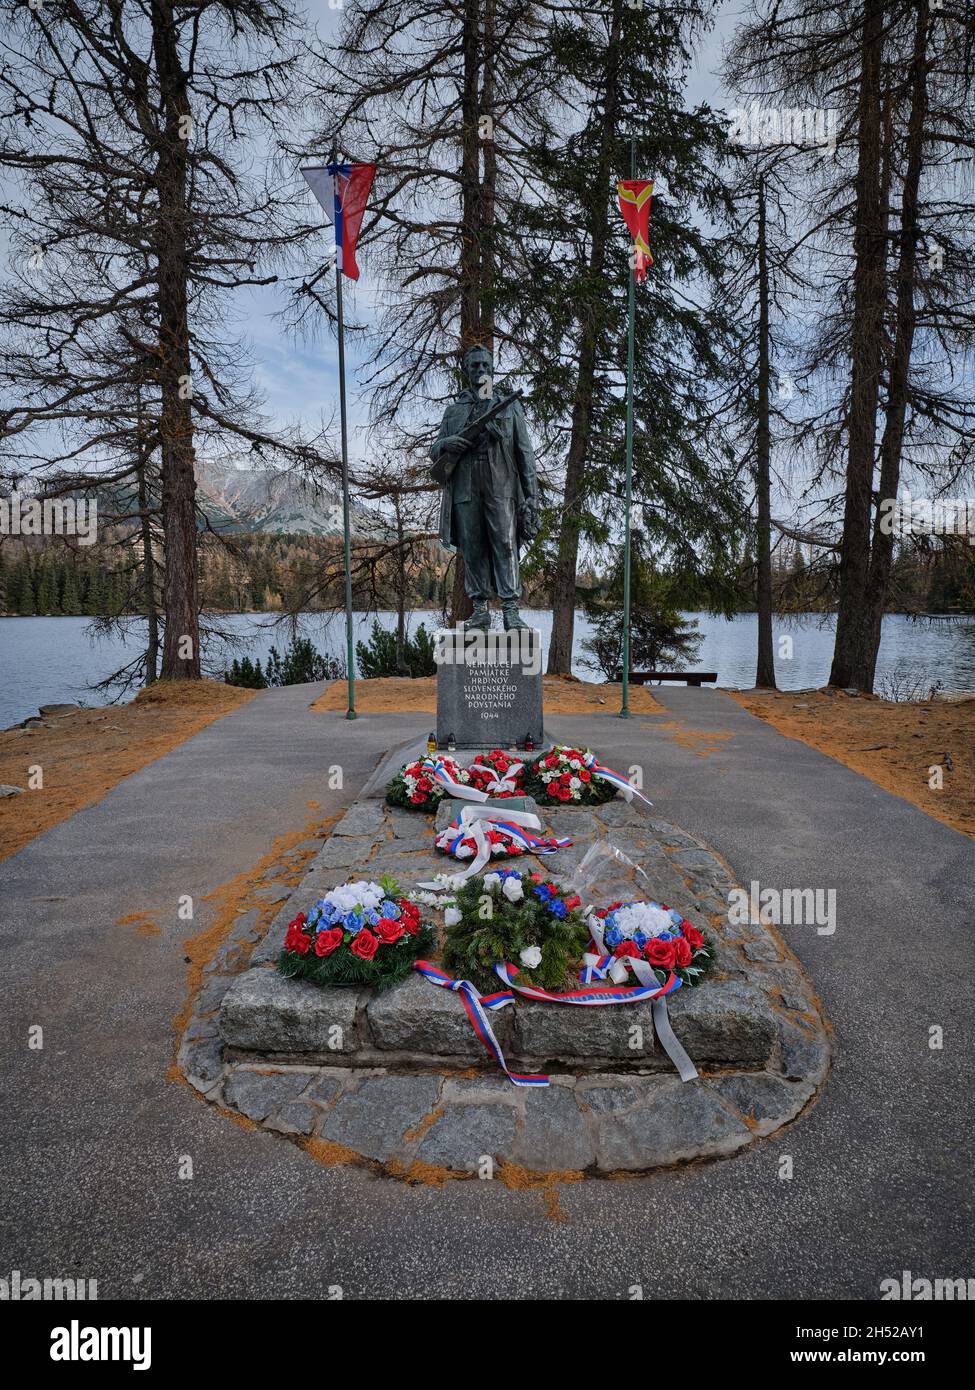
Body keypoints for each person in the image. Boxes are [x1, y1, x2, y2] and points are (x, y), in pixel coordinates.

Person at [430, 344, 540, 631]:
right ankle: (480, 610)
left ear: (492, 369)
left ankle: (511, 611)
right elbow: (435, 450)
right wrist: (446, 444)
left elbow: (524, 453)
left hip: (501, 486)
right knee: (474, 549)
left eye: (484, 365)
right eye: (474, 365)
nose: (480, 370)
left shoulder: (508, 405)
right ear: (466, 370)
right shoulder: (454, 410)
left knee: (505, 545)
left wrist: (531, 497)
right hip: (465, 486)